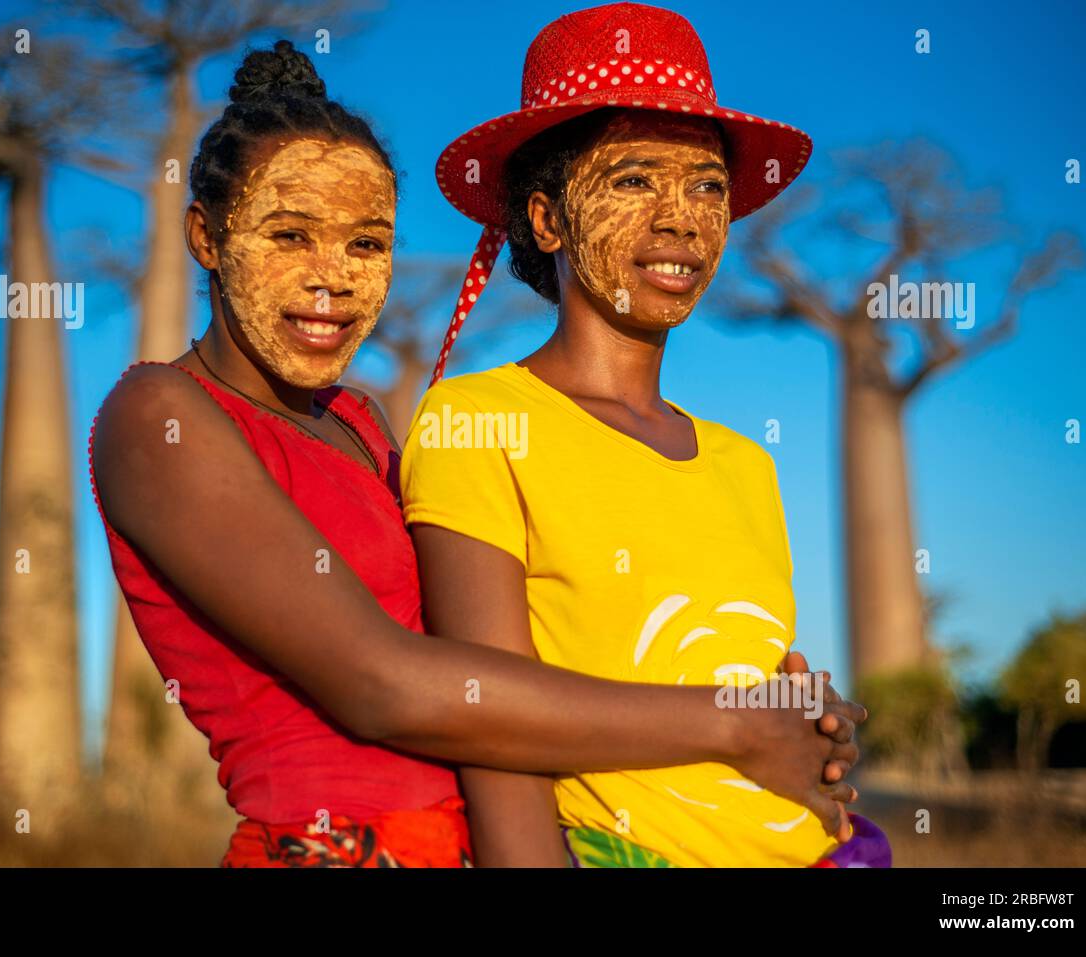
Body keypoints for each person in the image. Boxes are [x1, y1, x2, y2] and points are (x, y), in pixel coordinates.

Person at [89, 39, 863, 868]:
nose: (332, 280)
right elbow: (380, 685)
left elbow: (514, 644)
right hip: (339, 849)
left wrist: (795, 713)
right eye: (289, 234)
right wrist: (737, 721)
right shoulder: (159, 416)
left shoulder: (361, 422)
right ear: (205, 236)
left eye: (366, 244)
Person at [403, 2, 890, 867]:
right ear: (547, 220)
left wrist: (813, 719)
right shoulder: (478, 421)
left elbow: (739, 673)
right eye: (632, 180)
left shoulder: (746, 464)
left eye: (707, 186)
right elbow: (483, 716)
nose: (681, 219)